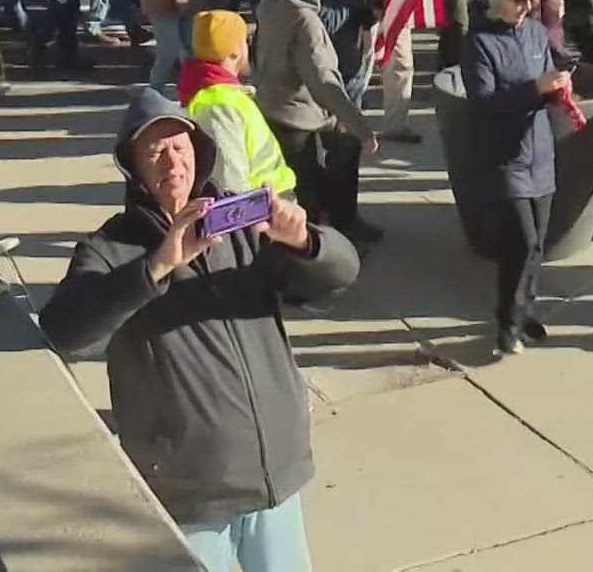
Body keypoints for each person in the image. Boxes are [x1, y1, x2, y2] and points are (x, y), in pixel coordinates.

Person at [38, 88, 359, 572]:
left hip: (275, 471)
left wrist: (305, 239)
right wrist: (158, 264)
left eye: (181, 147)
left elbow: (342, 273)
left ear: (201, 153)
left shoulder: (242, 225)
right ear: (134, 169)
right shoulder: (112, 249)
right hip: (190, 494)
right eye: (156, 151)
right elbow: (66, 332)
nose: (172, 162)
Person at [462, 0, 570, 357]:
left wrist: (557, 85)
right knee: (520, 243)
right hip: (506, 155)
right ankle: (507, 323)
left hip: (539, 148)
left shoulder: (537, 33)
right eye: (518, 0)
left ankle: (526, 310)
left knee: (538, 243)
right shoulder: (478, 42)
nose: (526, 6)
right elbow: (483, 103)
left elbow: (547, 71)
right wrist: (534, 89)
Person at [255, 0, 381, 242]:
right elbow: (323, 81)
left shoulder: (271, 5)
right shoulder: (306, 22)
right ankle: (314, 251)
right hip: (298, 117)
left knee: (299, 185)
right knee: (306, 197)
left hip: (271, 107)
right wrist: (360, 127)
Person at [177, 10, 297, 197]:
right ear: (235, 51)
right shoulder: (220, 105)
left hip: (266, 205)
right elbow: (230, 181)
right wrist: (247, 223)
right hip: (262, 210)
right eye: (245, 40)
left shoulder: (219, 96)